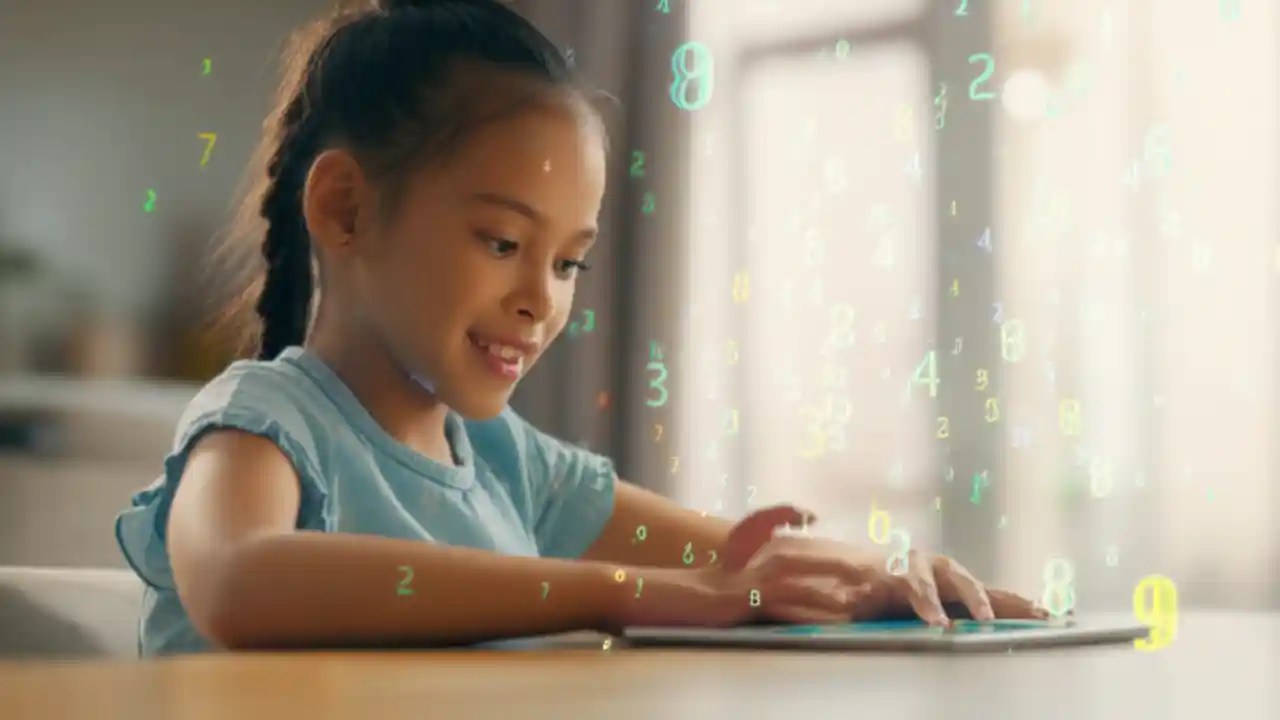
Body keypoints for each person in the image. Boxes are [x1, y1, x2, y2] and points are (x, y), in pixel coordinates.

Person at [115, 0, 1044, 657]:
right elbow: (237, 581)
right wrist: (624, 593)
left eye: (567, 263)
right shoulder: (265, 422)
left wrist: (889, 579)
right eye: (503, 240)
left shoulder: (506, 460)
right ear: (348, 208)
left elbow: (735, 561)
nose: (542, 300)